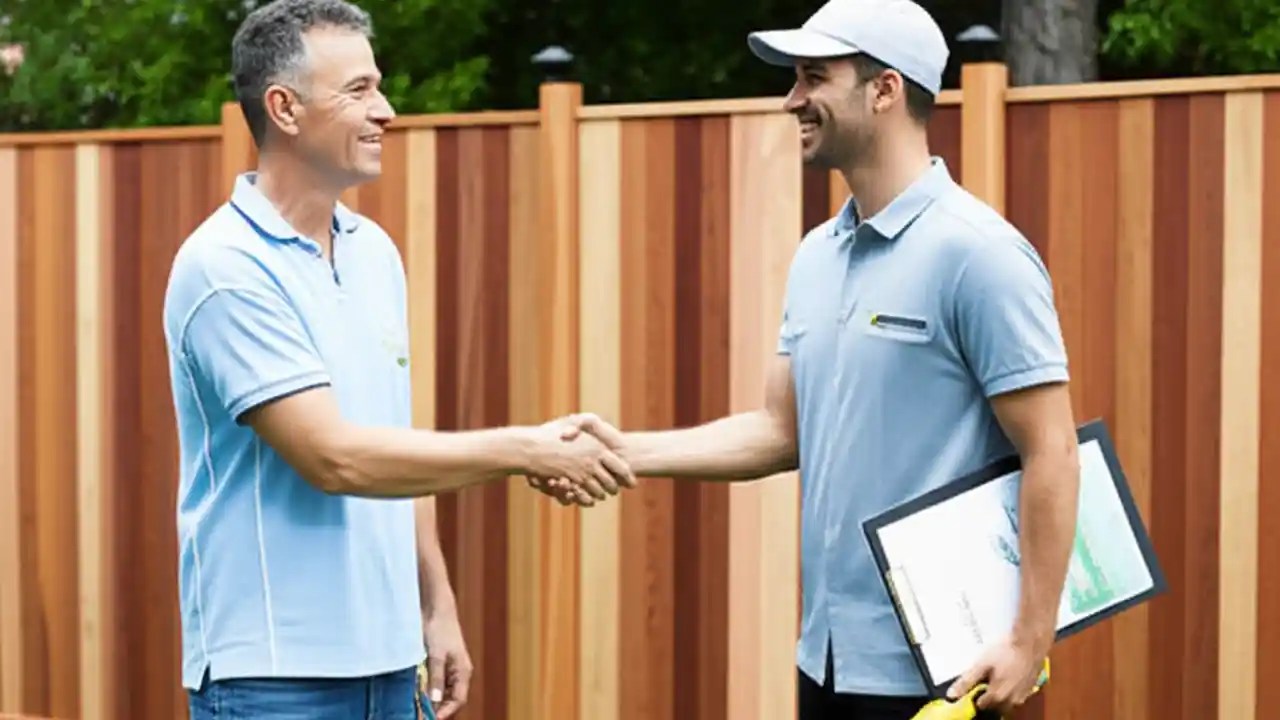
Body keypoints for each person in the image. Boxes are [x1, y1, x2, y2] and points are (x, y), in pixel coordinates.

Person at [536, 1, 1081, 718]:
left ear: (884, 90)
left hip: (944, 680)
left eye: (813, 77)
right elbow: (780, 430)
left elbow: (1053, 451)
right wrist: (621, 451)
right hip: (824, 660)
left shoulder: (979, 256)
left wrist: (1028, 639)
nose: (793, 99)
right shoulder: (817, 256)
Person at [162, 1, 634, 718]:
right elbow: (335, 459)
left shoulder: (374, 253)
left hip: (391, 667)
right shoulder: (224, 268)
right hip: (273, 678)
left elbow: (392, 438)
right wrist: (525, 449)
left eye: (377, 85)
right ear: (283, 108)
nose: (384, 110)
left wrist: (436, 604)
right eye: (357, 90)